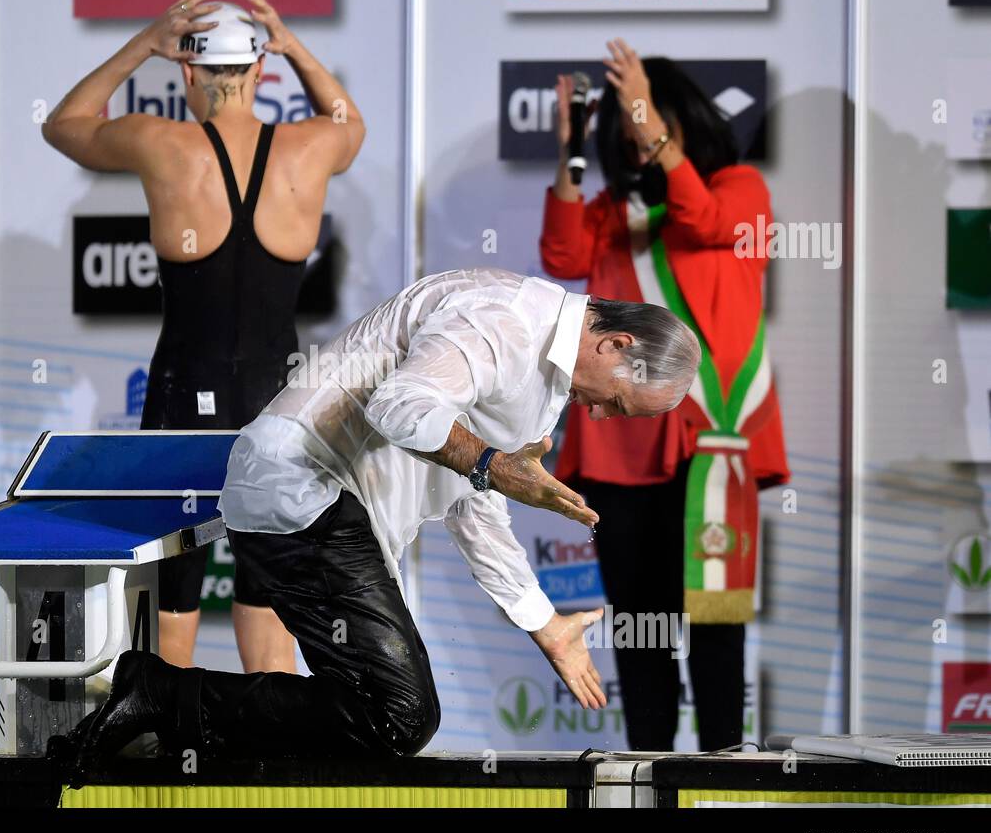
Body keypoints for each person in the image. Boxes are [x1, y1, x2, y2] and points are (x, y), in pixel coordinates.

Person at [51, 267, 700, 776]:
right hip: (299, 485)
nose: (606, 418)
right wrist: (489, 464)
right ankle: (158, 696)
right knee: (401, 713)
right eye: (619, 402)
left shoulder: (545, 383)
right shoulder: (505, 321)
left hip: (335, 510)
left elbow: (476, 500)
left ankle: (164, 708)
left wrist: (543, 622)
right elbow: (401, 407)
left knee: (380, 715)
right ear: (617, 343)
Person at [42, 0, 364, 674]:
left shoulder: (163, 143)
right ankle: (266, 769)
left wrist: (143, 43)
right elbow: (351, 122)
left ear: (185, 72)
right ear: (261, 70)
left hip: (182, 396)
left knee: (171, 596)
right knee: (266, 593)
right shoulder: (310, 148)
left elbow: (64, 123)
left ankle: (164, 757)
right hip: (279, 405)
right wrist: (294, 42)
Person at [539, 40, 789, 751]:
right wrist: (571, 151)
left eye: (651, 123)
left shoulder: (740, 191)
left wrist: (642, 107)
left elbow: (704, 222)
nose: (639, 138)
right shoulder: (614, 212)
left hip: (714, 447)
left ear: (684, 123)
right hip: (623, 452)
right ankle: (650, 778)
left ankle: (725, 779)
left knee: (715, 625)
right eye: (629, 130)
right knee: (642, 632)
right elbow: (561, 256)